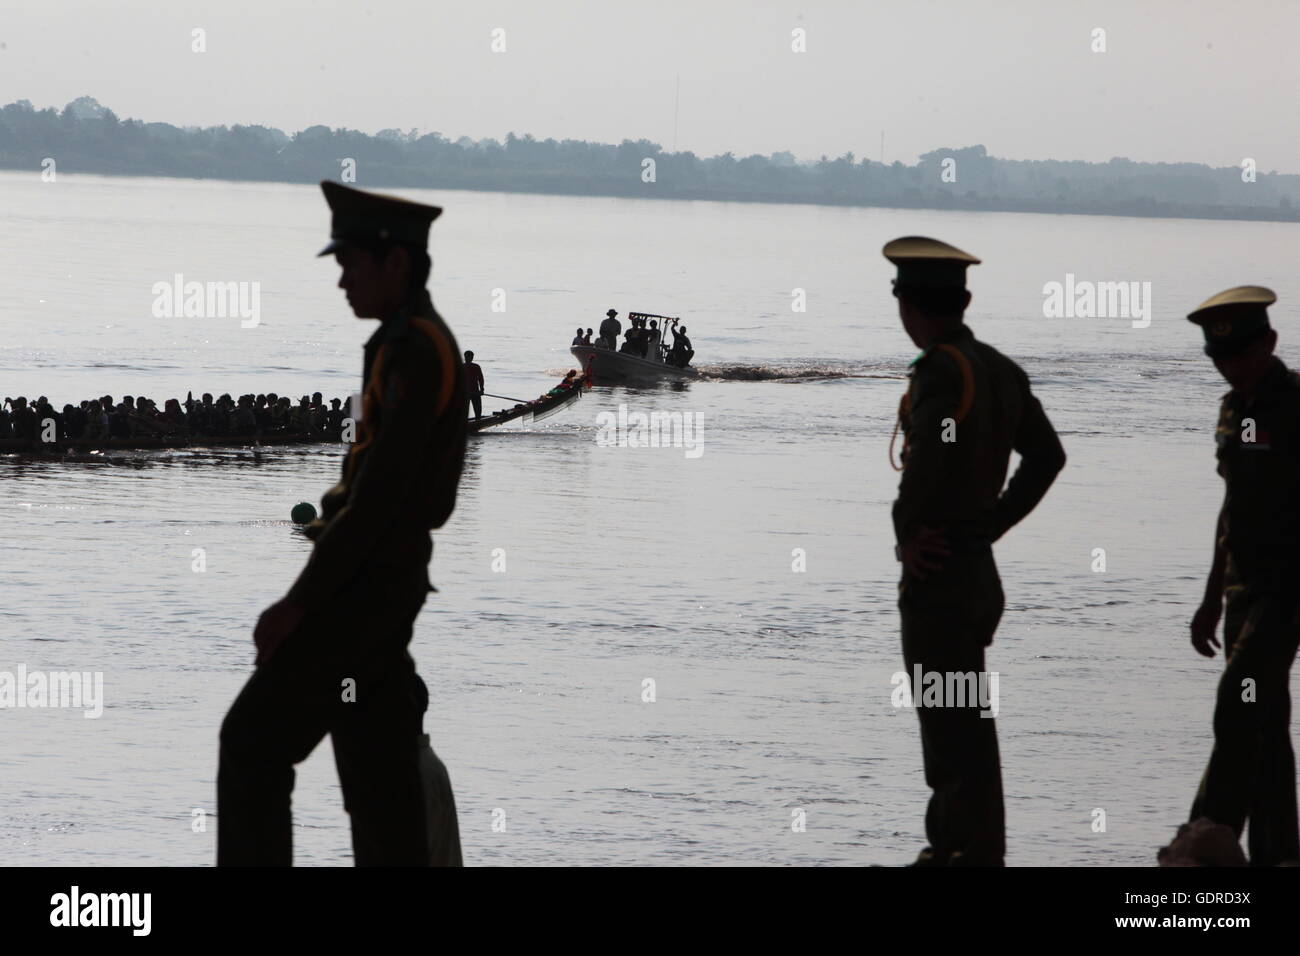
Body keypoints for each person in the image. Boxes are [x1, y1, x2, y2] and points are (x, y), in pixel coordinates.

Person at [218, 180, 466, 867]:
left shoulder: (415, 350)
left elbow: (379, 502)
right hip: (382, 596)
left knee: (252, 742)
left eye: (350, 264)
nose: (342, 282)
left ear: (394, 262)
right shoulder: (401, 342)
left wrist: (297, 604)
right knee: (381, 786)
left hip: (361, 598)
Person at [884, 236, 1065, 866]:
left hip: (940, 577)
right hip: (975, 574)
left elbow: (926, 468)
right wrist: (992, 525)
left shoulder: (942, 369)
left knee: (947, 722)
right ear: (961, 300)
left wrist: (909, 532)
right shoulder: (999, 368)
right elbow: (1048, 456)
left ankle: (960, 851)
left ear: (908, 304)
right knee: (968, 718)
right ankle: (975, 848)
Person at [1184, 285, 1300, 867]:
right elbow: (1232, 507)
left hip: (1289, 587)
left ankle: (1203, 838)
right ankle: (1278, 856)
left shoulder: (1295, 405)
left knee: (1239, 700)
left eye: (1238, 355)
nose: (1228, 369)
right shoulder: (1233, 410)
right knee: (1267, 727)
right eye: (1217, 359)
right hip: (1241, 588)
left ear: (1270, 344)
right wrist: (1209, 597)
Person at [464, 350, 485, 420]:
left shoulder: (461, 366)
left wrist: (482, 389)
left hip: (471, 392)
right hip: (472, 392)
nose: (471, 358)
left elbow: (480, 379)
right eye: (471, 357)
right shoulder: (476, 366)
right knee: (477, 411)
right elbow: (481, 379)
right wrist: (481, 390)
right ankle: (477, 422)